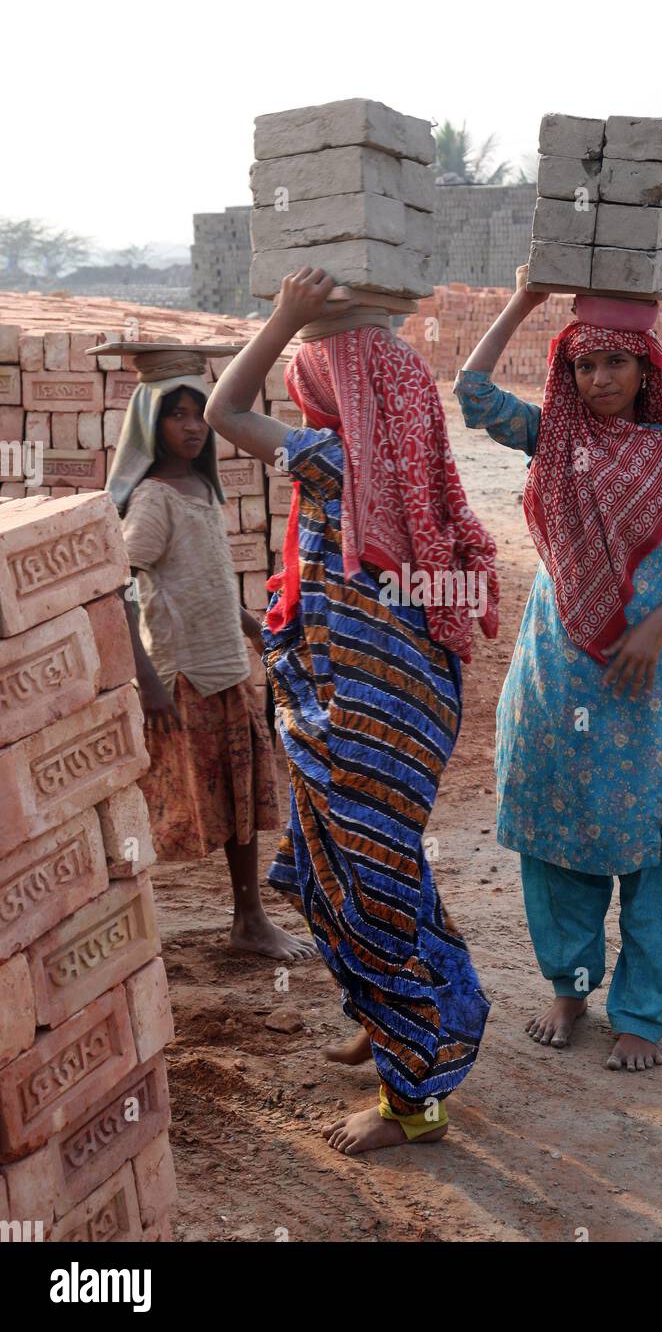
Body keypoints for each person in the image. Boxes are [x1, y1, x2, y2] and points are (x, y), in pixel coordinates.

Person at [205, 268, 498, 1154]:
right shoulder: (422, 494)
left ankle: (413, 1101)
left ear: (351, 405)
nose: (307, 406)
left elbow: (223, 411)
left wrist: (286, 314)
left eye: (318, 391)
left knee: (369, 881)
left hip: (353, 715)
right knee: (380, 863)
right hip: (397, 709)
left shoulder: (335, 464)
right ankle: (389, 1020)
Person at [453, 268, 662, 1072]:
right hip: (552, 672)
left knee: (649, 843)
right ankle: (569, 986)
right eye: (584, 365)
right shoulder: (552, 440)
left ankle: (641, 1013)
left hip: (636, 680)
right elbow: (472, 392)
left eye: (616, 364)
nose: (600, 379)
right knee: (554, 829)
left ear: (648, 370)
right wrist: (523, 299)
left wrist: (659, 622)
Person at [107, 344, 316, 964]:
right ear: (151, 423)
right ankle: (122, 922)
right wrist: (146, 682)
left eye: (200, 413)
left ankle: (249, 919)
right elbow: (120, 589)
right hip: (182, 678)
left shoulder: (199, 489)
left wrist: (256, 630)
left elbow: (208, 581)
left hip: (227, 668)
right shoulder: (153, 500)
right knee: (165, 803)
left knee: (240, 799)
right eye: (178, 415)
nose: (194, 426)